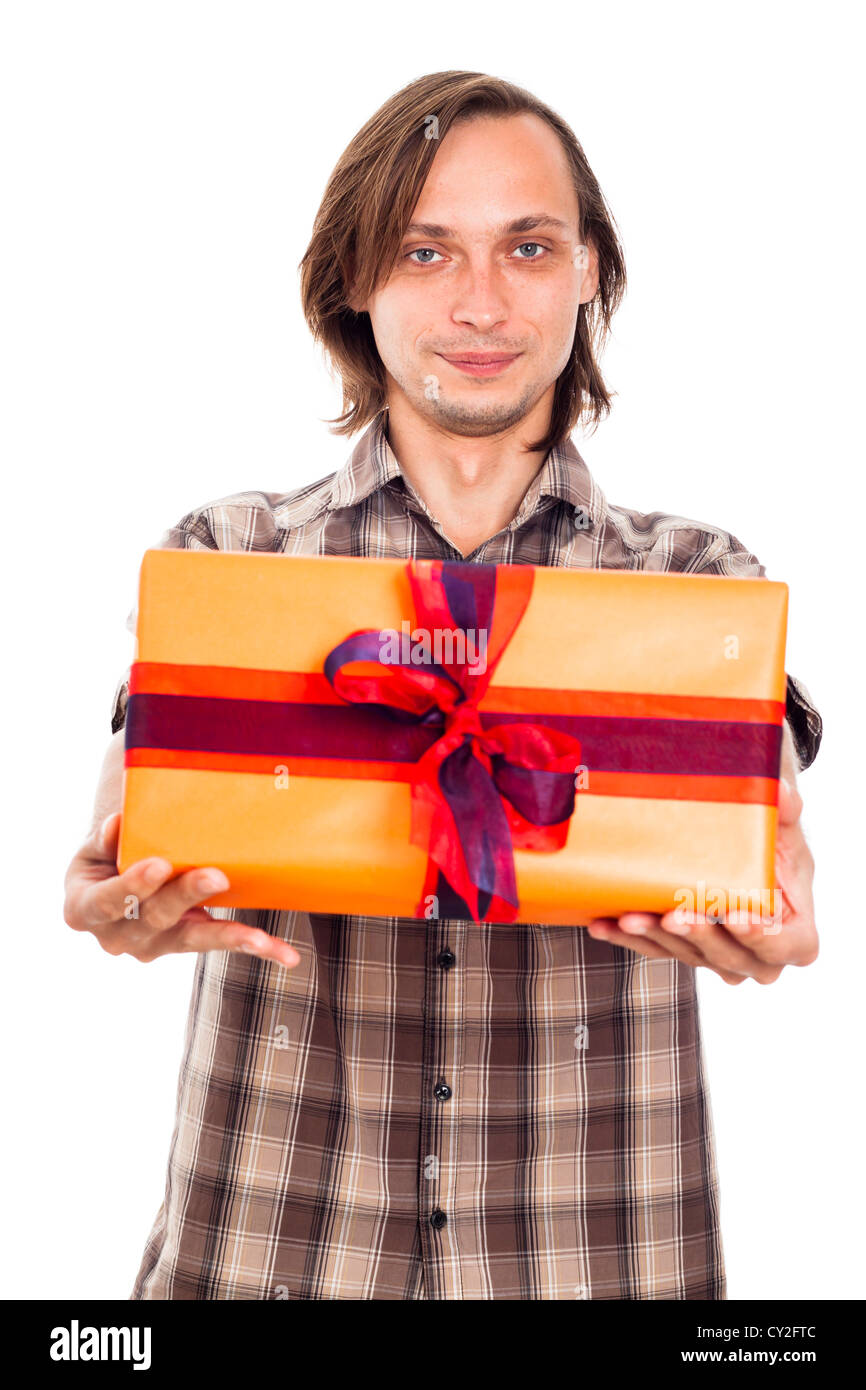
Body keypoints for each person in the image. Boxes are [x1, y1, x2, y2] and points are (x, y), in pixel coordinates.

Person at [63, 70, 821, 1301]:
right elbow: (147, 750)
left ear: (588, 271)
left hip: (599, 1262)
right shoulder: (232, 554)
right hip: (265, 1253)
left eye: (526, 246)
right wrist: (118, 858)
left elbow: (756, 758)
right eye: (424, 251)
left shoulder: (696, 578)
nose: (480, 302)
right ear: (355, 283)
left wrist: (776, 855)